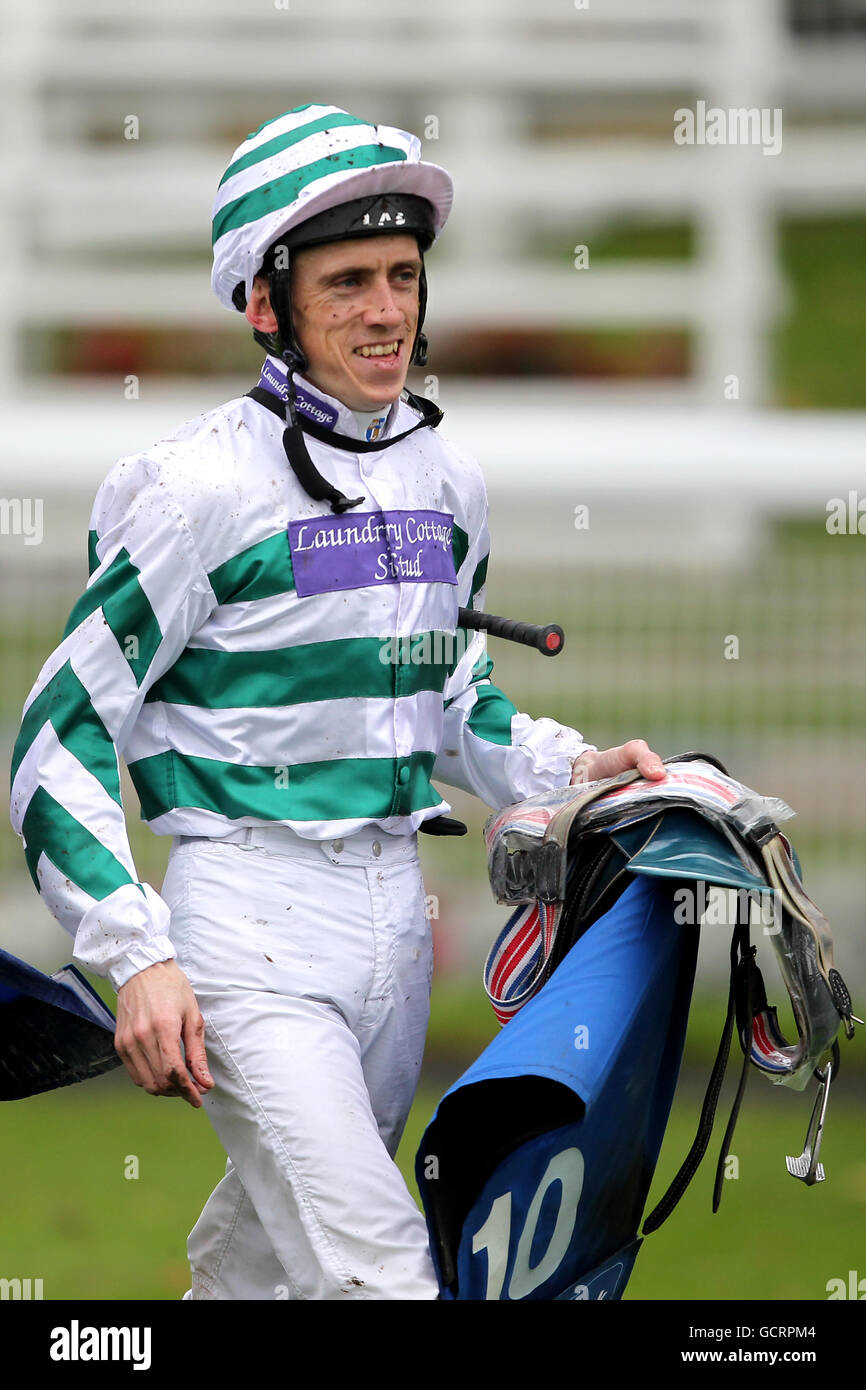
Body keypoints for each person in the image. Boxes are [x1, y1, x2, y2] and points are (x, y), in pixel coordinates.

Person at [9, 102, 665, 1300]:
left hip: (393, 928)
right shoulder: (188, 490)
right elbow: (53, 743)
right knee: (381, 1277)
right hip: (244, 928)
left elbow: (450, 697)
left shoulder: (446, 478)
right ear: (267, 302)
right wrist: (135, 952)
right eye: (349, 280)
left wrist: (578, 772)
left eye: (402, 276)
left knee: (265, 1268)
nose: (385, 309)